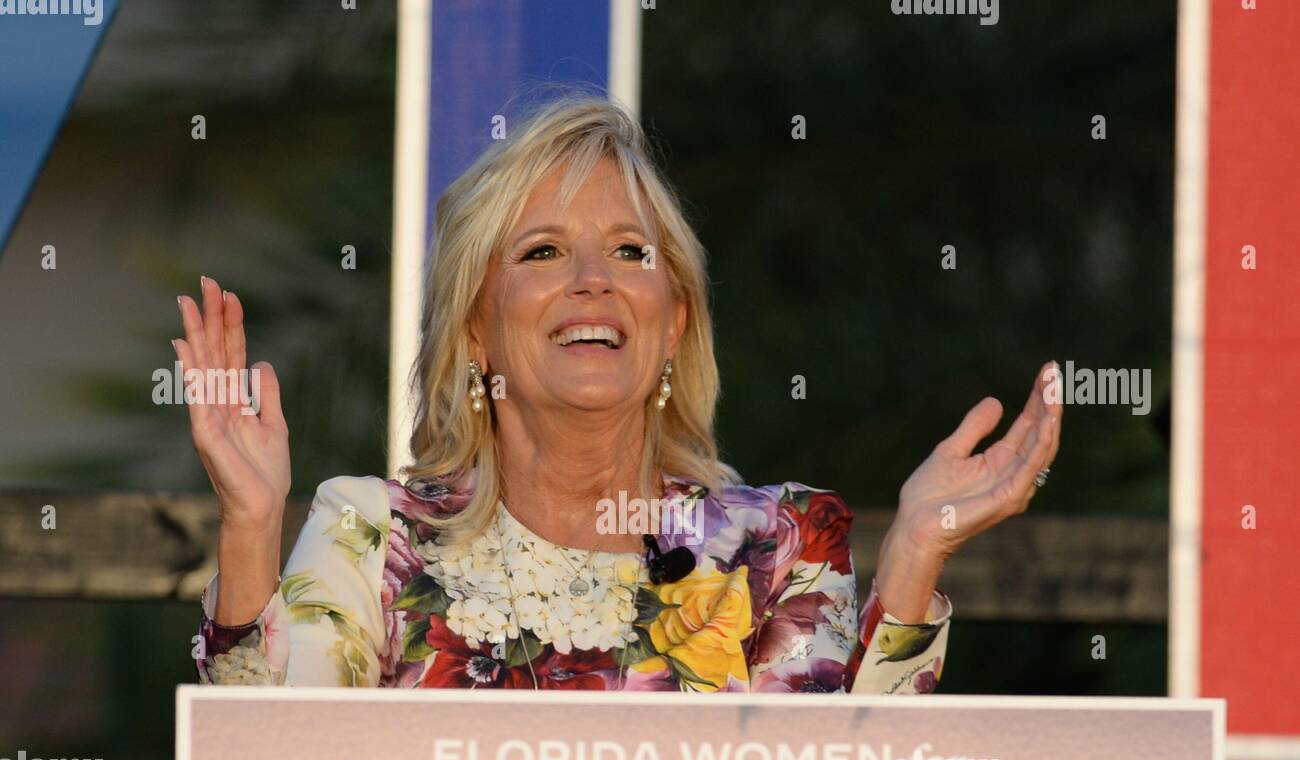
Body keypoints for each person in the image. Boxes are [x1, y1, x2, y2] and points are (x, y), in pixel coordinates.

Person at [177, 98, 1060, 692]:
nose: (593, 280)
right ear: (476, 331)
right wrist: (251, 527)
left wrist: (912, 562)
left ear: (674, 323)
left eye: (631, 252)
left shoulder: (779, 547)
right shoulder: (373, 535)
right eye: (543, 252)